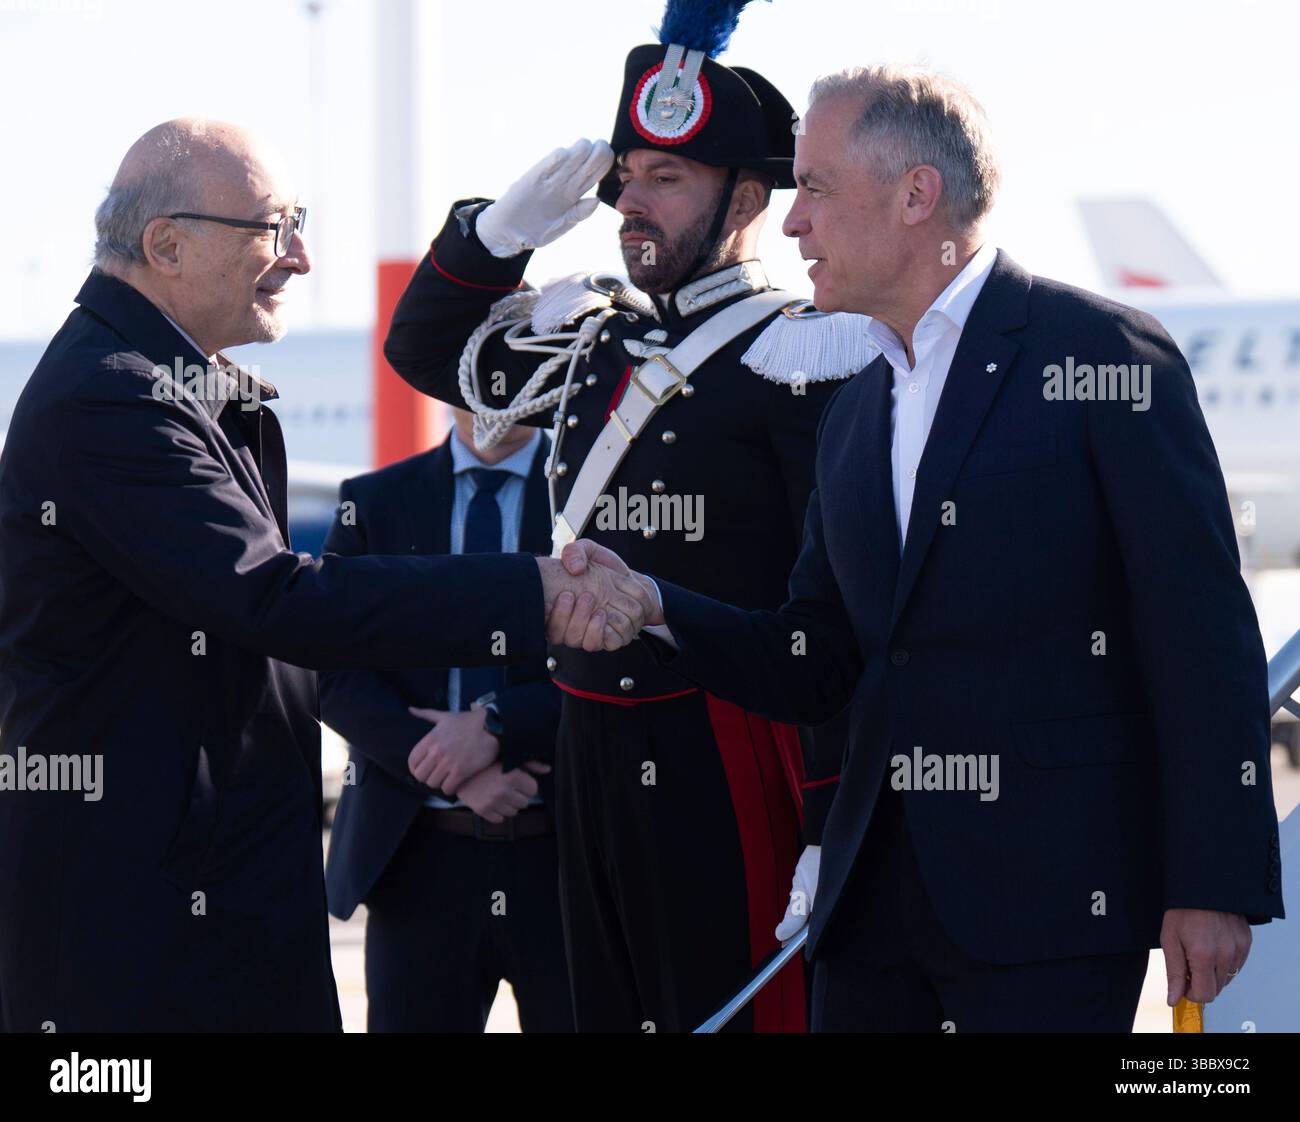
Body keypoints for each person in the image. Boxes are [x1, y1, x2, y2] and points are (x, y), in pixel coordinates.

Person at [560, 63, 1285, 1032]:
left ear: (916, 196)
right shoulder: (856, 403)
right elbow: (816, 654)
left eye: (813, 187)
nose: (789, 223)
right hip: (870, 921)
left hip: (1050, 916)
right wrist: (655, 606)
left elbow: (1199, 637)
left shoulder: (1098, 355)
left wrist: (1214, 882)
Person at [0, 119, 647, 1033]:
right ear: (166, 244)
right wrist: (531, 592)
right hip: (145, 929)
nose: (299, 257)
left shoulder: (176, 383)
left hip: (208, 893)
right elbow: (275, 599)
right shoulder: (110, 397)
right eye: (272, 227)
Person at [383, 11, 875, 1032]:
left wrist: (829, 817)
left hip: (730, 746)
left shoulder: (804, 357)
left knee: (737, 1013)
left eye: (667, 180)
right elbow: (426, 353)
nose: (630, 206)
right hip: (589, 743)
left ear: (744, 199)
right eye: (628, 177)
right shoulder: (597, 340)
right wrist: (493, 238)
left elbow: (838, 618)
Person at [321, 409, 572, 1032]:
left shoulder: (591, 495)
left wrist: (498, 726)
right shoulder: (375, 501)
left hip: (568, 857)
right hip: (418, 863)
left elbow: (635, 656)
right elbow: (326, 665)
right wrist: (447, 767)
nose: (495, 395)